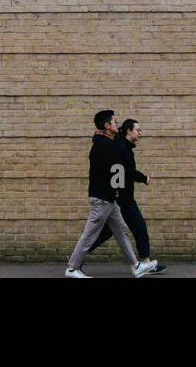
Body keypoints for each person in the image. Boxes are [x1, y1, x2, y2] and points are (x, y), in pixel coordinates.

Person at [65, 109, 157, 278]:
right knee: (90, 234)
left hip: (109, 197)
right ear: (107, 126)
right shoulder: (105, 145)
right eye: (115, 122)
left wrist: (116, 191)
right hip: (102, 198)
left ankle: (136, 266)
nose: (117, 124)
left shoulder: (107, 143)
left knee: (121, 230)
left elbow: (113, 170)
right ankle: (72, 268)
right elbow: (117, 169)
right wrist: (119, 188)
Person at [90, 118, 164, 274]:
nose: (140, 133)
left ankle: (147, 263)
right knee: (105, 232)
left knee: (139, 228)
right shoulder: (121, 148)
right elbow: (124, 171)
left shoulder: (124, 147)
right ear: (129, 131)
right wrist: (143, 178)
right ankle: (76, 258)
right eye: (138, 130)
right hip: (121, 199)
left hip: (126, 198)